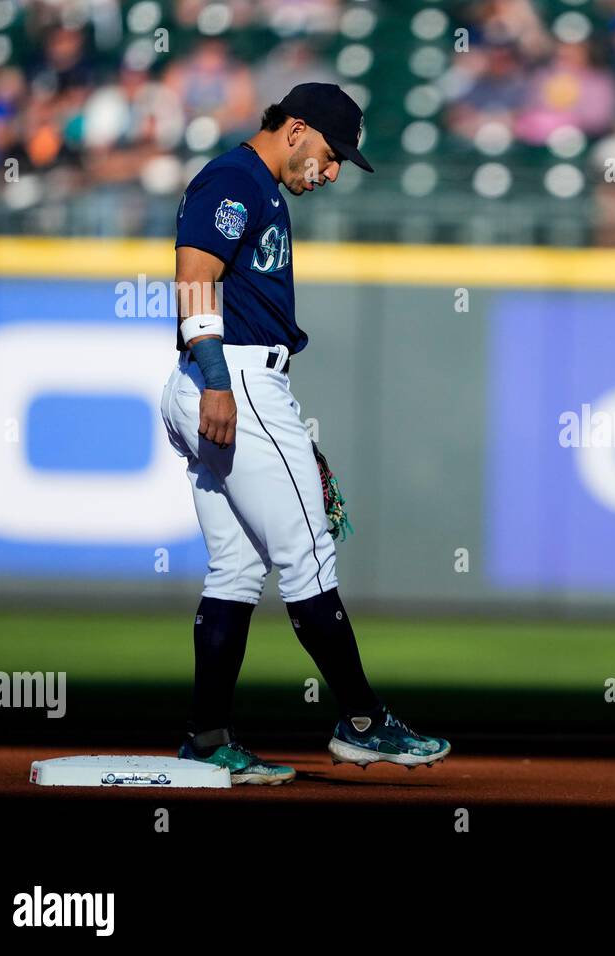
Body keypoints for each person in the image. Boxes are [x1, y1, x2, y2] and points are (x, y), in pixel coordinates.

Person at [159, 83, 451, 784]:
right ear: (295, 129)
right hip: (231, 377)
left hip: (224, 381)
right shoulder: (237, 179)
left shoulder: (258, 185)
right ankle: (362, 722)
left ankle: (206, 737)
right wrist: (221, 380)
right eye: (329, 152)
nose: (332, 169)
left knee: (236, 568)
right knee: (309, 554)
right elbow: (194, 276)